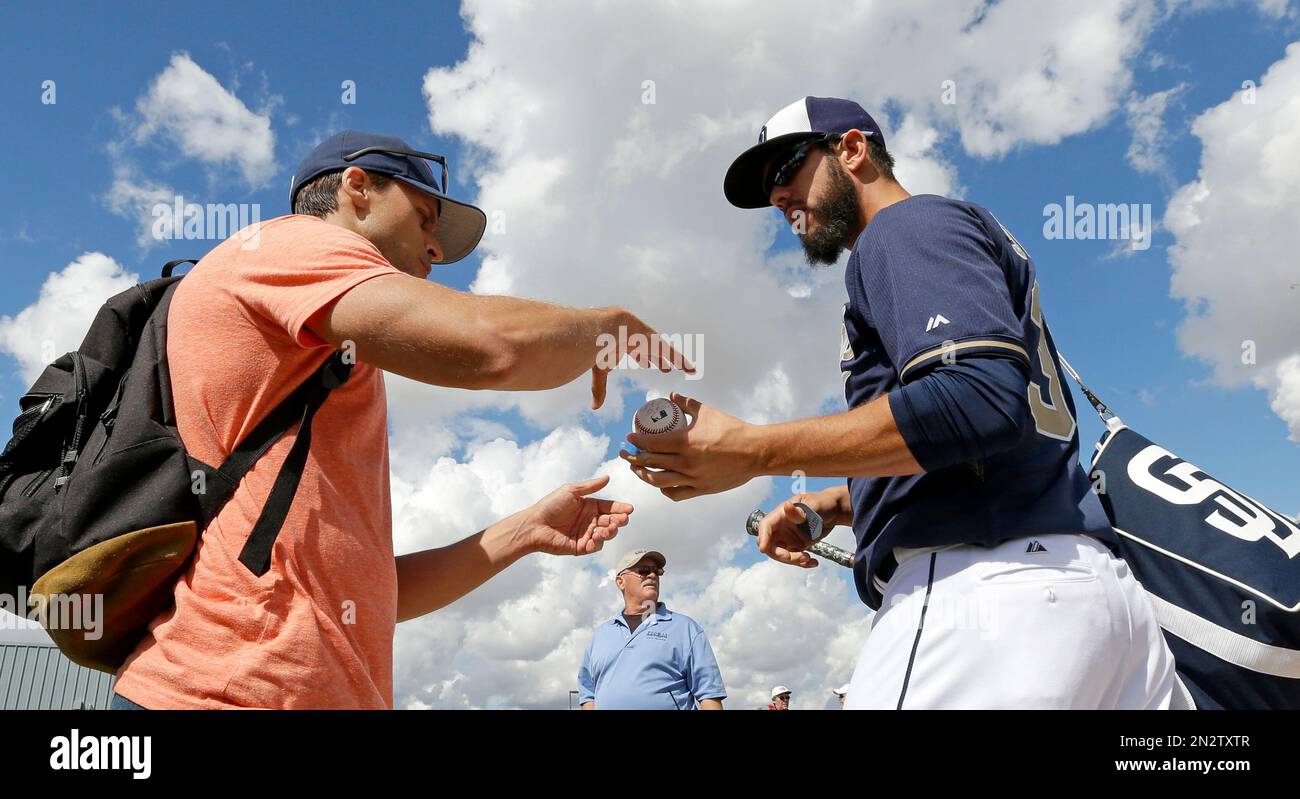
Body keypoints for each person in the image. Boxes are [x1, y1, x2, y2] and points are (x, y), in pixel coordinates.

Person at [622, 97, 1175, 709]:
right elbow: (984, 442)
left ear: (852, 149)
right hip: (1088, 598)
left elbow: (977, 401)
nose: (779, 200)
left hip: (985, 598)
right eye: (769, 196)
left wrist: (751, 450)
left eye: (785, 171)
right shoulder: (945, 234)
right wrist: (833, 505)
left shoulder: (904, 228)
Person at [108, 130, 689, 709]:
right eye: (423, 218)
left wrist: (523, 532)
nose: (435, 249)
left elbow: (375, 595)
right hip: (223, 693)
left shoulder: (321, 354)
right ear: (356, 189)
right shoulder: (291, 246)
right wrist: (606, 325)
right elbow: (494, 348)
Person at [577, 549, 726, 710]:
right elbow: (588, 693)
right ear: (620, 582)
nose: (653, 575)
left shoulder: (686, 629)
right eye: (643, 571)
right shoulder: (600, 635)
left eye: (657, 571)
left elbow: (709, 695)